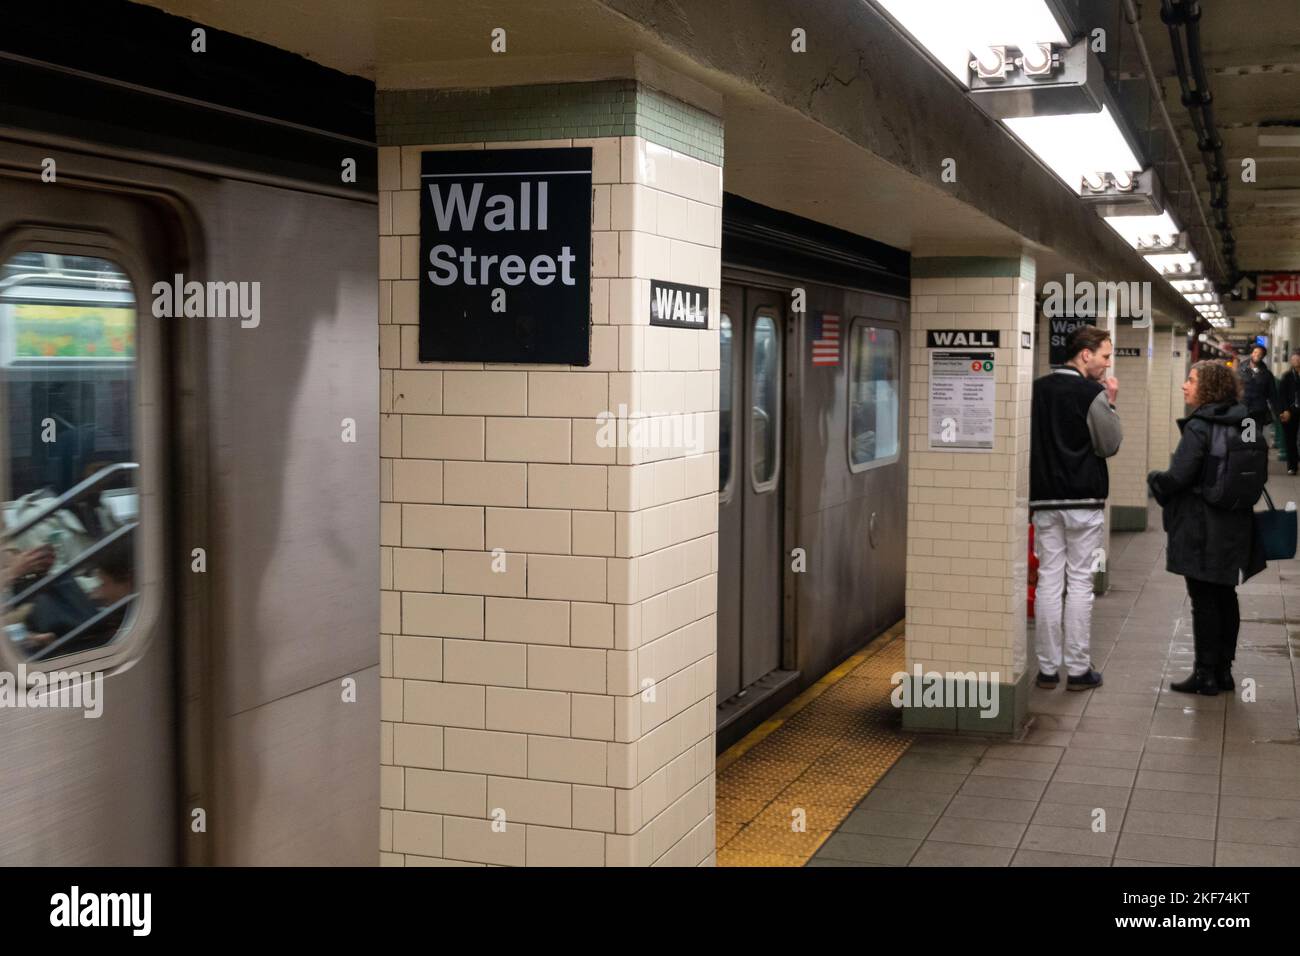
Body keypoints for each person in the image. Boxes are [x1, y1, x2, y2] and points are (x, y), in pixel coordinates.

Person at [1148, 360, 1266, 695]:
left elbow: (1179, 476)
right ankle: (1224, 672)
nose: (1185, 385)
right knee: (1226, 594)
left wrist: (1155, 480)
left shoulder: (1200, 426)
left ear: (1208, 387)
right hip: (1236, 523)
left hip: (1201, 525)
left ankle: (1205, 675)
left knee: (1203, 599)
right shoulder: (1245, 420)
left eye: (1191, 379)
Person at [1030, 325, 1122, 691]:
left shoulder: (1035, 390)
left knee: (1049, 580)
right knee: (1080, 582)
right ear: (1085, 354)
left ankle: (1047, 670)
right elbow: (1109, 444)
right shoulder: (1091, 393)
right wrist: (1110, 402)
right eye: (1104, 356)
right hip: (1083, 501)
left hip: (1045, 500)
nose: (1107, 363)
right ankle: (1079, 670)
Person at [1238, 344, 1279, 427]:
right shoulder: (1239, 371)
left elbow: (1272, 394)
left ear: (1263, 356)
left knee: (1256, 437)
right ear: (1251, 354)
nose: (1257, 355)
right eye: (1255, 352)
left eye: (1260, 353)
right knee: (1243, 437)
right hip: (1242, 410)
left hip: (1258, 412)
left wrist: (1278, 412)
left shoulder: (1267, 374)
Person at [1277, 350, 1300, 475]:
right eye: (1294, 359)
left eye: (1298, 359)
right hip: (1290, 411)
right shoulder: (1287, 376)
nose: (1296, 361)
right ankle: (1292, 466)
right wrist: (1285, 410)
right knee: (1290, 439)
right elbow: (1282, 395)